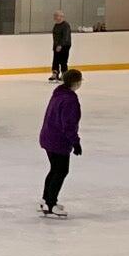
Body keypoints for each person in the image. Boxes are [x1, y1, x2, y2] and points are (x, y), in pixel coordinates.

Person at [39, 69, 84, 218]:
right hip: (58, 141)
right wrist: (75, 142)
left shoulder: (58, 94)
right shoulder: (70, 100)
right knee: (61, 171)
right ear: (76, 82)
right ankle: (50, 205)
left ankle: (46, 200)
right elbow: (69, 125)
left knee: (55, 170)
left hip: (48, 137)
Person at [50, 11, 72, 81]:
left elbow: (65, 37)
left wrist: (60, 45)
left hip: (65, 46)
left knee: (63, 61)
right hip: (56, 46)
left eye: (57, 16)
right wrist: (55, 46)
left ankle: (64, 74)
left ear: (61, 17)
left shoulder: (66, 25)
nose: (55, 17)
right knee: (55, 60)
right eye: (55, 16)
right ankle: (55, 73)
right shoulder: (56, 25)